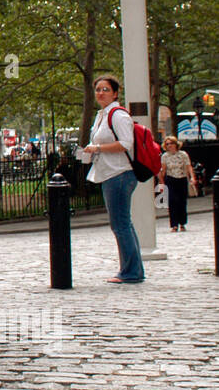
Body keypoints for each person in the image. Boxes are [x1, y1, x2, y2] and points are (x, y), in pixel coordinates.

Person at [82, 75, 145, 284]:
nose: (101, 93)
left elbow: (126, 143)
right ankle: (133, 269)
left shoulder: (117, 115)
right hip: (108, 172)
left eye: (106, 89)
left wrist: (98, 148)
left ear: (115, 93)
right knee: (123, 223)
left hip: (119, 173)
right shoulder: (102, 115)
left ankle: (131, 271)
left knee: (120, 224)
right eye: (98, 89)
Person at [157, 135, 197, 233]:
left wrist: (192, 177)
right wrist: (161, 182)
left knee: (182, 202)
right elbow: (163, 170)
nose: (169, 146)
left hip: (182, 179)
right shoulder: (165, 156)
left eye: (171, 143)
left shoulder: (183, 154)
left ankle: (182, 223)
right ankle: (174, 224)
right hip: (171, 179)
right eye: (167, 144)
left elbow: (189, 166)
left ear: (175, 144)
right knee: (172, 201)